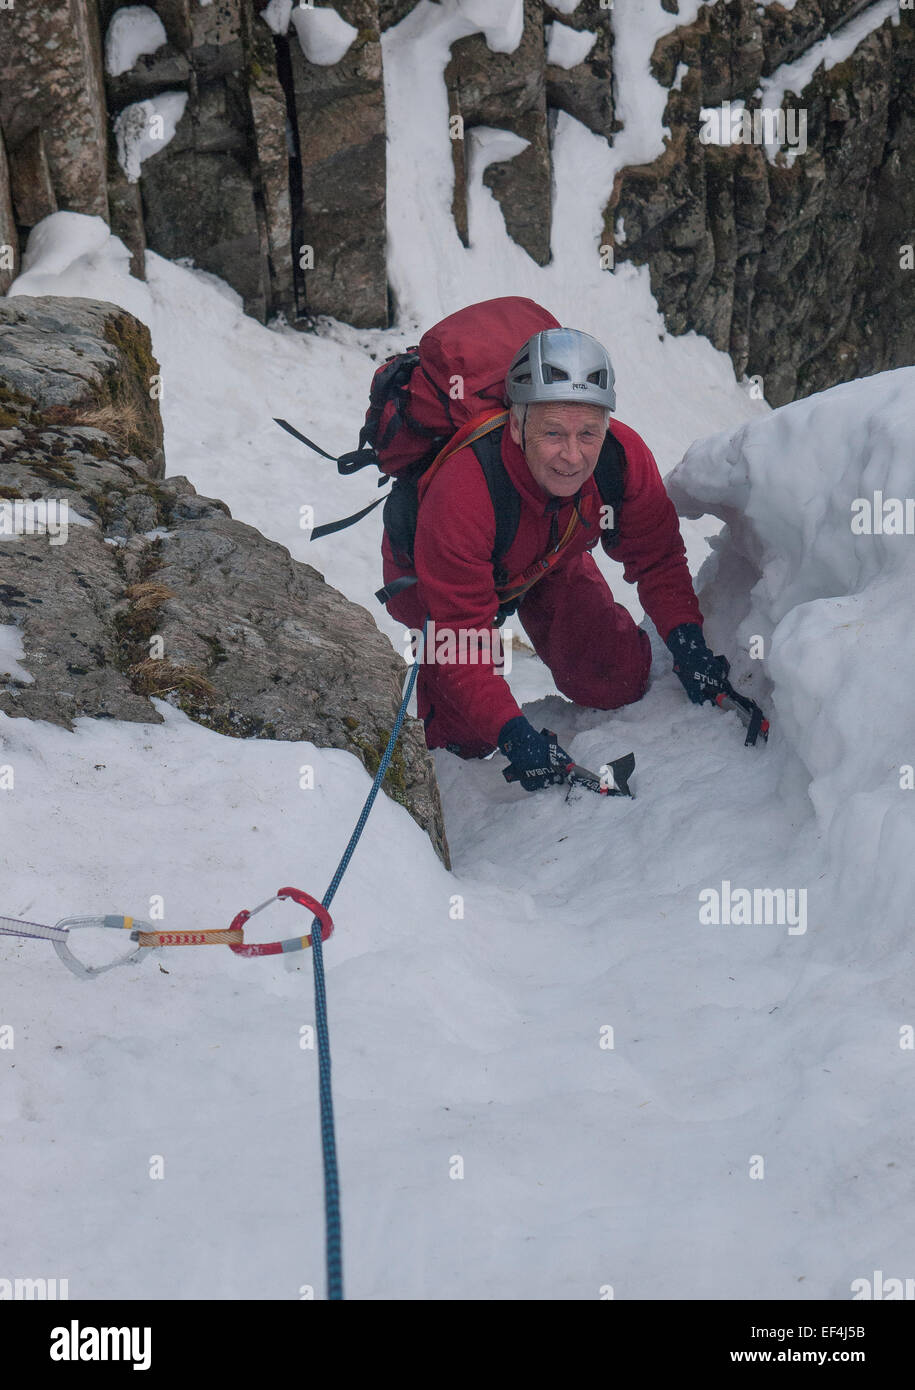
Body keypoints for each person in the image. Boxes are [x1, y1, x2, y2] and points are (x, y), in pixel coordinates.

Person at [381, 327, 730, 791]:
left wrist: (689, 643)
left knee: (617, 678)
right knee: (461, 743)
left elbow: (658, 556)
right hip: (437, 586)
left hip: (547, 556)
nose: (572, 455)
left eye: (588, 432)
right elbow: (462, 639)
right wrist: (514, 735)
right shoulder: (464, 493)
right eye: (552, 433)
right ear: (516, 424)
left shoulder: (619, 458)